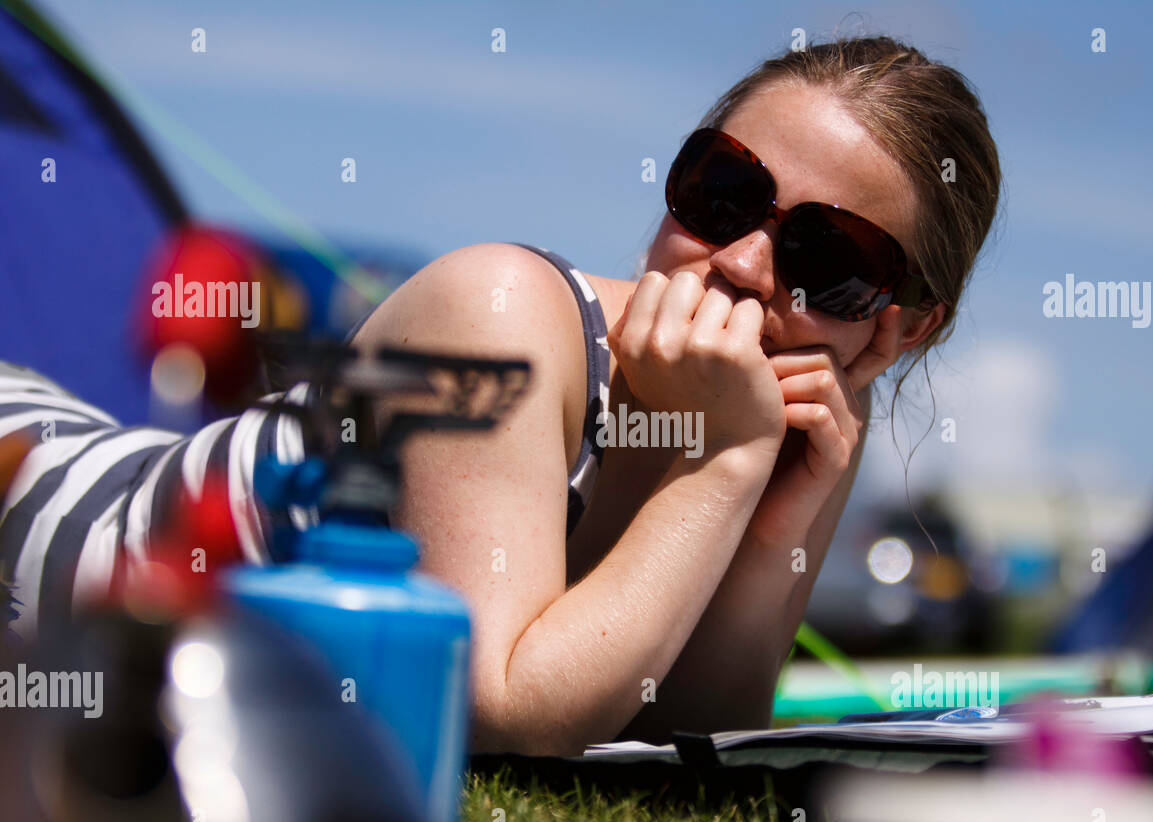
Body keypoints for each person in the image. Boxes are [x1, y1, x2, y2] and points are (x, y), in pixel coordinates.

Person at [0, 35, 1001, 757]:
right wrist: (724, 464)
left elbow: (684, 730)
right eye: (724, 190)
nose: (742, 262)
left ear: (903, 327)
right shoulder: (503, 316)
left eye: (828, 258)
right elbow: (507, 715)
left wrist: (770, 507)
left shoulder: (804, 419)